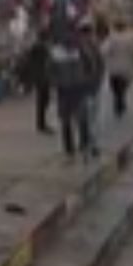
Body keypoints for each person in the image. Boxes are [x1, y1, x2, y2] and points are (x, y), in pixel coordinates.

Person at [49, 21, 89, 161]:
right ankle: (71, 148)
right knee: (68, 120)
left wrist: (86, 80)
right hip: (65, 90)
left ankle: (83, 144)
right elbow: (50, 72)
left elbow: (90, 66)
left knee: (80, 119)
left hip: (77, 88)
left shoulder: (80, 51)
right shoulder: (56, 53)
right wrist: (55, 83)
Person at [78, 18, 106, 158]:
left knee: (90, 116)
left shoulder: (94, 47)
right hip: (83, 87)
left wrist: (98, 80)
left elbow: (101, 65)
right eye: (86, 32)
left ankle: (91, 144)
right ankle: (88, 143)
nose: (88, 35)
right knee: (86, 116)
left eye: (88, 32)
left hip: (90, 87)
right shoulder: (79, 48)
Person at [102, 21, 133, 118]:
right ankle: (121, 100)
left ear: (115, 27)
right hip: (127, 67)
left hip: (114, 68)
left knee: (115, 87)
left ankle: (118, 101)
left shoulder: (111, 39)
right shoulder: (130, 38)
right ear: (124, 27)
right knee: (123, 86)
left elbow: (104, 51)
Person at [23, 27, 53, 135]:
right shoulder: (40, 47)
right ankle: (41, 124)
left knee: (43, 100)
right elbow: (44, 63)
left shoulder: (39, 47)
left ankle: (41, 123)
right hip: (42, 77)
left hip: (41, 77)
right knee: (43, 100)